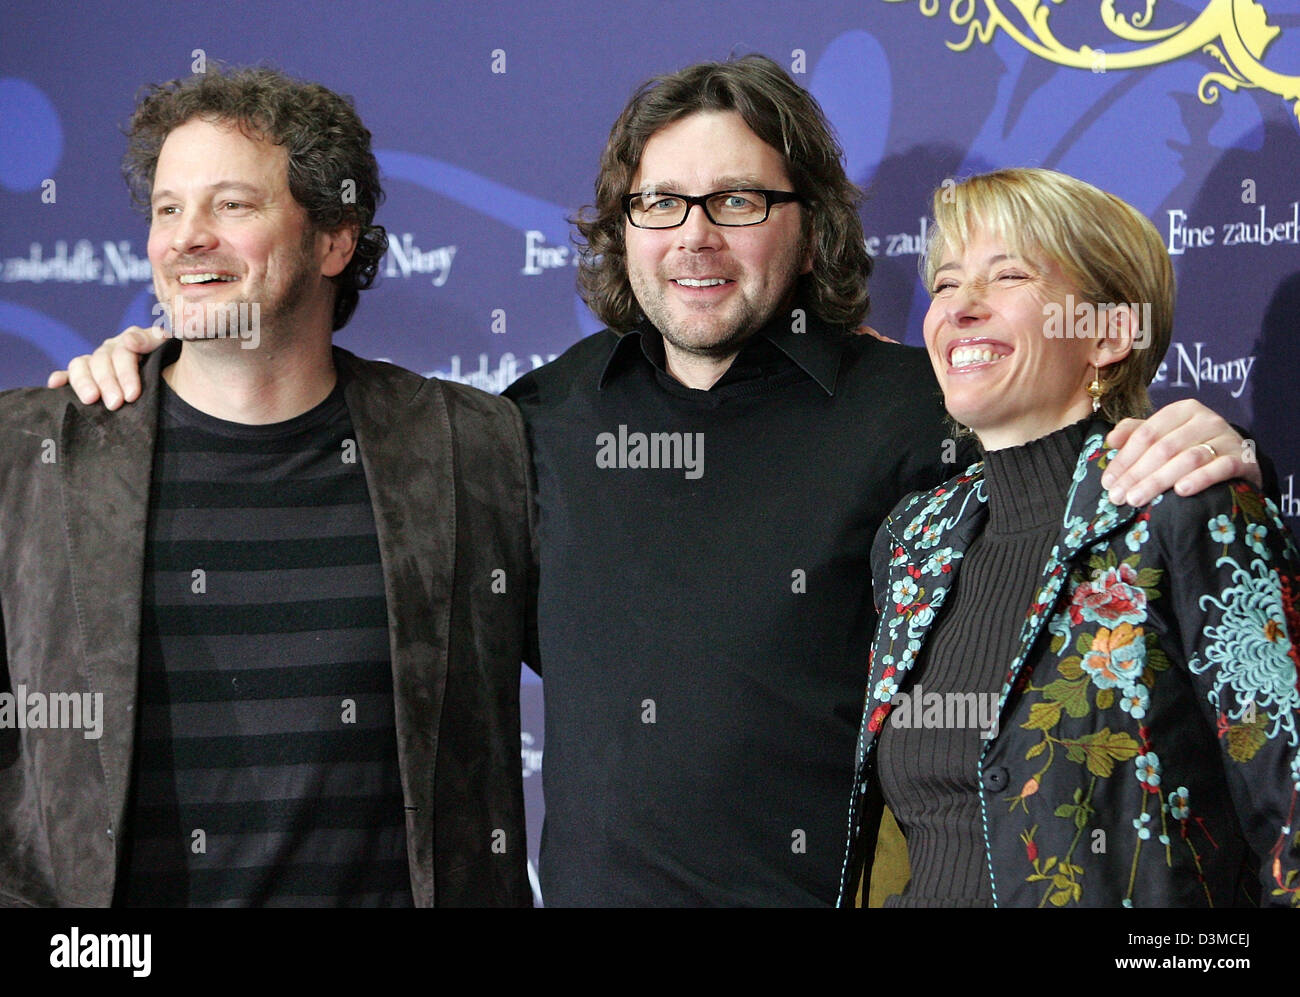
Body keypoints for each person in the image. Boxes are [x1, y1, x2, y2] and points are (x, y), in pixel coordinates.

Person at [56, 57, 1268, 907]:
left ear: (805, 224)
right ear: (620, 224)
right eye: (660, 201)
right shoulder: (526, 418)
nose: (693, 233)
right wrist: (159, 358)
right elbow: (298, 412)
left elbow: (1062, 458)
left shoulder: (917, 411)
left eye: (737, 200)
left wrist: (1196, 438)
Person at [3, 67, 534, 907]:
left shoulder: (472, 447)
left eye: (231, 206)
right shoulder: (31, 455)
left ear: (333, 241)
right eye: (168, 209)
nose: (187, 238)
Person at [840, 168, 1300, 907]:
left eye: (1008, 274)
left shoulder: (1185, 507)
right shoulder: (914, 538)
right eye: (948, 283)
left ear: (1111, 332)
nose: (958, 308)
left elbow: (1292, 820)